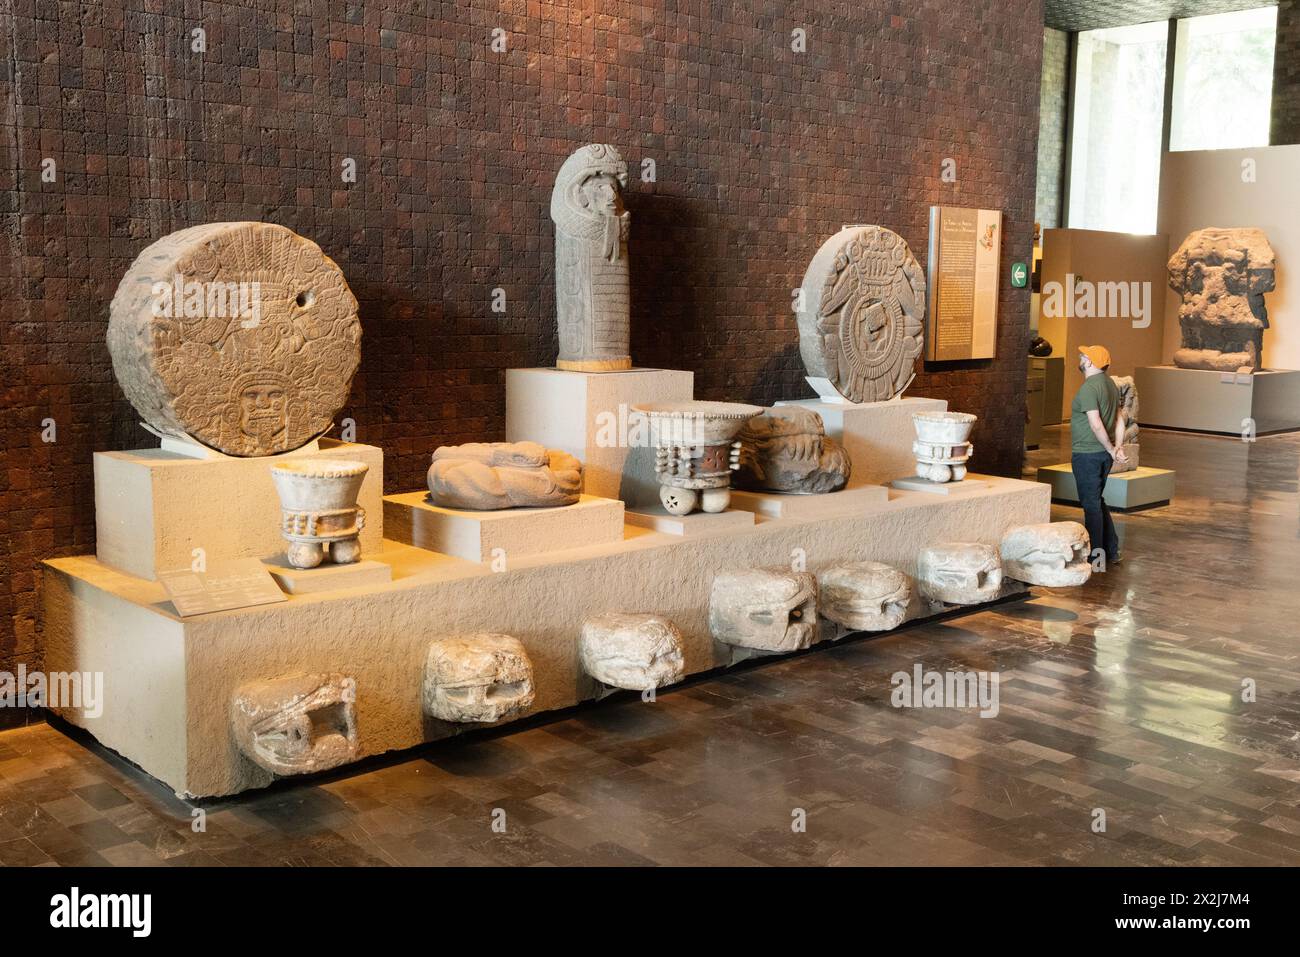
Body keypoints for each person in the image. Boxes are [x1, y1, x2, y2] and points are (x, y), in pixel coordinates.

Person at [1070, 345, 1127, 565]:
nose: (1080, 358)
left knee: (1091, 505)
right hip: (1103, 455)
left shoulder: (1088, 388)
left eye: (1083, 356)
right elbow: (1119, 419)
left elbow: (1096, 424)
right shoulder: (1110, 384)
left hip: (1088, 454)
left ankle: (1096, 557)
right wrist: (1116, 447)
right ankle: (1111, 550)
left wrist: (1110, 447)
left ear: (1091, 362)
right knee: (1097, 501)